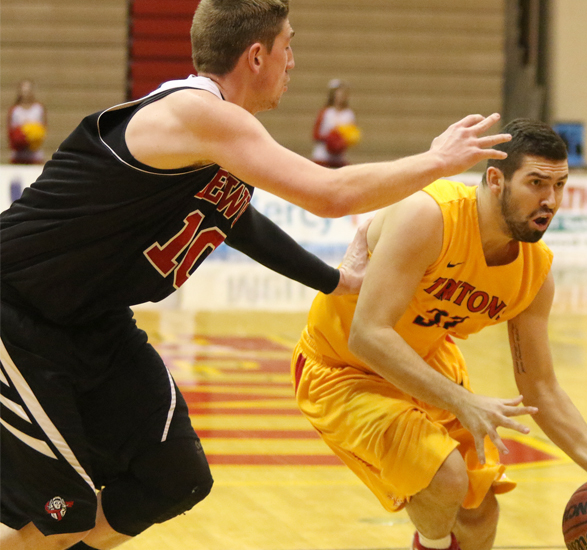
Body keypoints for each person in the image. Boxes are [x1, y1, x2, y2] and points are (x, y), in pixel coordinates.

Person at [0, 0, 510, 549]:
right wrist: (437, 160)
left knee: (174, 479)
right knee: (64, 516)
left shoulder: (213, 136)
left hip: (91, 323)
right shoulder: (199, 113)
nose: (293, 62)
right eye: (289, 46)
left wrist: (335, 281)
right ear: (257, 54)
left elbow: (239, 220)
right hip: (18, 317)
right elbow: (329, 194)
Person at [291, 119, 587, 550]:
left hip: (424, 364)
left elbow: (541, 386)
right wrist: (461, 401)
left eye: (560, 185)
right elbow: (367, 335)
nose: (551, 201)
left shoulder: (535, 272)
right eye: (536, 183)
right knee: (445, 477)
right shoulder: (428, 216)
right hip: (342, 367)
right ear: (495, 179)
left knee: (479, 511)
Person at [312, 79, 358, 168]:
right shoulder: (326, 112)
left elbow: (352, 135)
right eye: (338, 93)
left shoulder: (348, 114)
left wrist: (342, 141)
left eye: (343, 94)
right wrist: (330, 138)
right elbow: (315, 134)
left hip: (339, 158)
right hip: (323, 156)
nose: (340, 97)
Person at [6, 79, 47, 164]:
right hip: (18, 154)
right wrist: (20, 138)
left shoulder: (38, 108)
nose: (26, 93)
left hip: (34, 154)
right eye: (24, 91)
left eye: (28, 90)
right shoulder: (15, 110)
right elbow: (10, 131)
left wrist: (34, 138)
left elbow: (44, 128)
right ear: (20, 92)